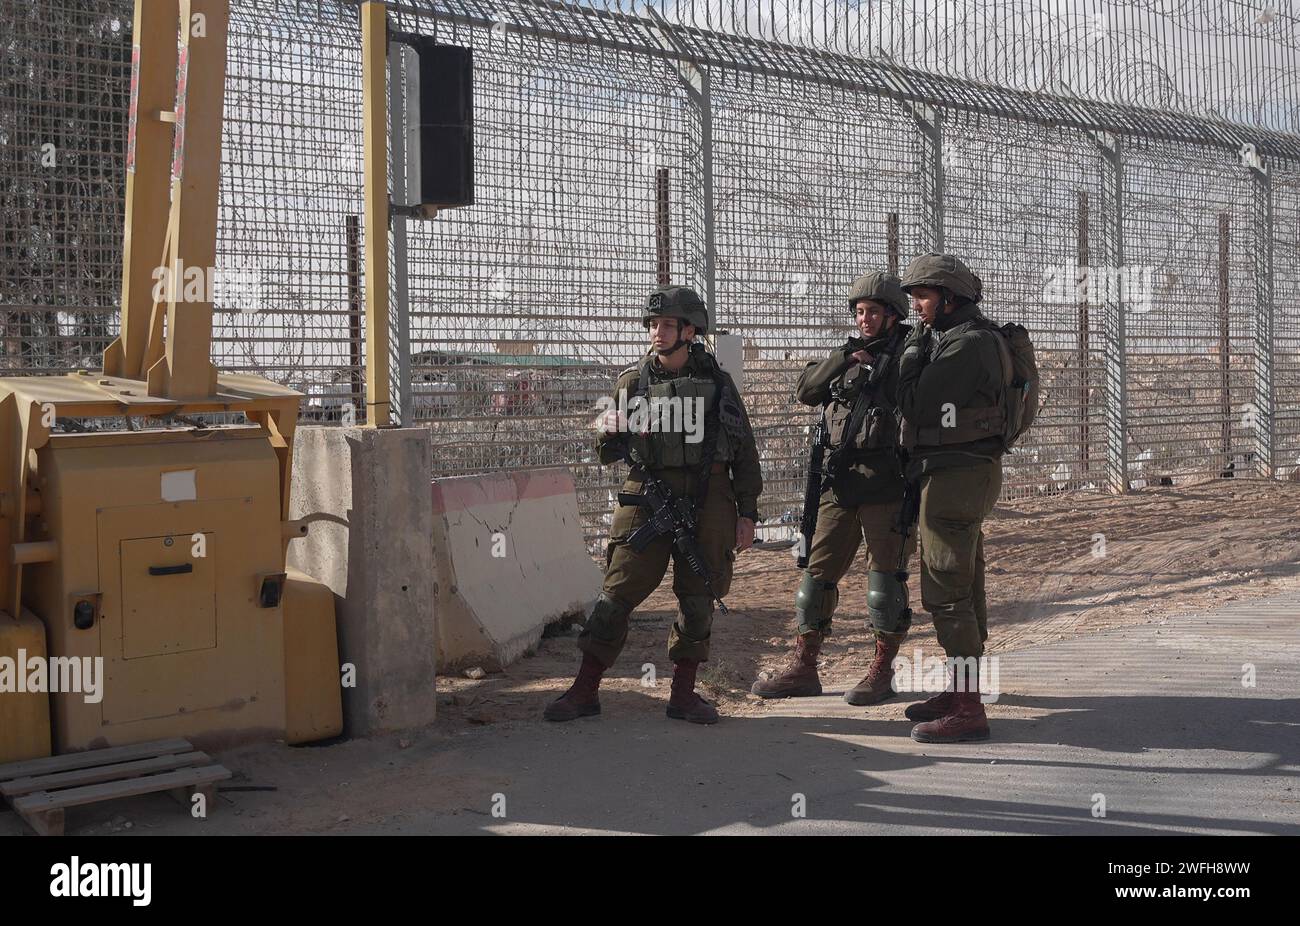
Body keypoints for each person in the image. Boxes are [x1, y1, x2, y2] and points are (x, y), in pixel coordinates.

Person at [544, 285, 762, 725]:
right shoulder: (633, 382)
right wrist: (609, 427)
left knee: (698, 598)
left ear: (690, 331)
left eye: (667, 325)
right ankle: (585, 690)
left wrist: (747, 511)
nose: (657, 333)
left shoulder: (719, 385)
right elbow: (605, 449)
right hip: (646, 496)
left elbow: (744, 451)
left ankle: (683, 694)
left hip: (710, 500)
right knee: (616, 594)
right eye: (653, 325)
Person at [751, 271, 916, 705]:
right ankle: (805, 667)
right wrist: (845, 360)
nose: (865, 319)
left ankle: (882, 670)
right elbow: (805, 390)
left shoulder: (910, 358)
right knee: (815, 578)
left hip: (887, 487)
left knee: (884, 581)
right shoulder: (845, 356)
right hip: (839, 486)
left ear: (894, 316)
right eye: (860, 312)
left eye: (874, 312)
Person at [896, 253, 1005, 743]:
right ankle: (963, 693)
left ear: (949, 298)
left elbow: (917, 404)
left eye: (922, 296)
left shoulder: (967, 345)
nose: (915, 306)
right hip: (959, 473)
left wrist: (914, 349)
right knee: (965, 583)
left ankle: (968, 710)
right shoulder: (969, 339)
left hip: (957, 475)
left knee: (946, 590)